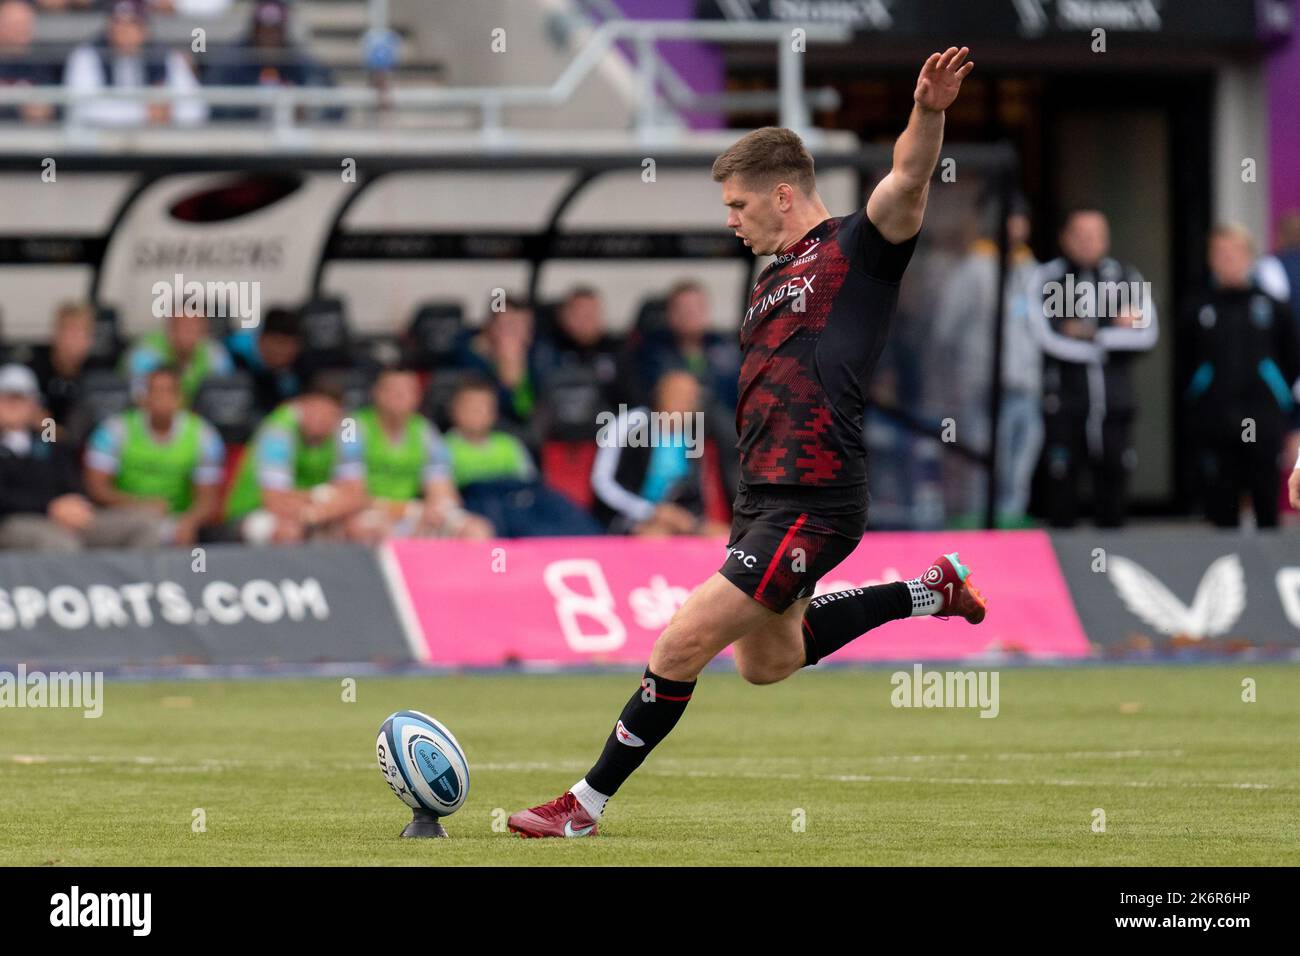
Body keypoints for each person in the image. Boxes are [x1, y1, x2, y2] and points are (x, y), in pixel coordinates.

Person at [508, 48, 985, 837]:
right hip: (765, 498)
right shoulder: (768, 278)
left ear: (783, 194)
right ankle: (928, 592)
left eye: (737, 203)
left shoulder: (856, 252)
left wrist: (928, 112)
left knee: (681, 641)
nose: (730, 218)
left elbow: (905, 180)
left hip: (817, 499)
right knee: (767, 664)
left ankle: (582, 807)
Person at [1029, 208, 1159, 528]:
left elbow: (1147, 333)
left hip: (1115, 405)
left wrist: (1089, 332)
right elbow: (1047, 338)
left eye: (1096, 235)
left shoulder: (1126, 275)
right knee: (1062, 487)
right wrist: (1111, 329)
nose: (1089, 243)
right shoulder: (1047, 278)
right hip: (1065, 406)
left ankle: (1108, 565)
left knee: (1114, 484)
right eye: (1081, 235)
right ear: (1065, 238)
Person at [932, 194, 1041, 526]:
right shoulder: (974, 268)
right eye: (1011, 219)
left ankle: (1011, 524)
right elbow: (945, 330)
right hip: (984, 384)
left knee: (1020, 463)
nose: (1017, 228)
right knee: (983, 465)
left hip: (1026, 383)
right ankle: (981, 531)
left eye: (1021, 220)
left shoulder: (1033, 270)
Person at [1184, 225, 1300, 528]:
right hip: (1216, 424)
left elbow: (1291, 363)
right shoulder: (1198, 307)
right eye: (1220, 254)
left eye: (1234, 253)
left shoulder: (1272, 306)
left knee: (1266, 508)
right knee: (1221, 511)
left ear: (1249, 257)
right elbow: (1186, 366)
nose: (1227, 260)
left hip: (1264, 424)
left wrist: (1289, 420)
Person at [0, 363, 161, 551]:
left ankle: (135, 580)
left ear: (35, 404)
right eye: (7, 398)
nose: (14, 405)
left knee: (145, 524)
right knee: (60, 543)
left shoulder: (49, 440)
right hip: (13, 520)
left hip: (64, 516)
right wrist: (49, 507)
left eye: (21, 398)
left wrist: (76, 505)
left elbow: (71, 478)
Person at [442, 374, 604, 537]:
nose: (478, 413)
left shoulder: (509, 444)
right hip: (479, 506)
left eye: (485, 407)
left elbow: (529, 479)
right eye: (471, 407)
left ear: (494, 412)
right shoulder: (444, 446)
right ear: (454, 410)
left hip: (519, 500)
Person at [346, 367, 492, 542]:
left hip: (414, 512)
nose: (400, 396)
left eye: (407, 391)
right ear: (376, 393)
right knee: (374, 530)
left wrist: (436, 509)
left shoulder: (425, 430)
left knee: (476, 529)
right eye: (393, 390)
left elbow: (442, 488)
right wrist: (406, 510)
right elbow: (350, 493)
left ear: (417, 396)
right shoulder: (352, 426)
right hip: (371, 512)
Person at [84, 366, 225, 546]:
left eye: (168, 391)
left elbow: (208, 498)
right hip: (123, 515)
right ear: (142, 398)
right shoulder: (114, 431)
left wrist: (190, 521)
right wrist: (140, 505)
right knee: (148, 526)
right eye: (154, 390)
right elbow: (97, 489)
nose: (161, 397)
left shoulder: (203, 435)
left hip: (177, 518)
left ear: (181, 398)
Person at [222, 378, 365, 544]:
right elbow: (274, 500)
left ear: (338, 414)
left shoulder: (348, 428)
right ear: (300, 406)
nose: (319, 420)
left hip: (315, 510)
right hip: (255, 509)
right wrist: (316, 506)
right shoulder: (278, 430)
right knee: (288, 532)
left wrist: (319, 513)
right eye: (313, 411)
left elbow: (355, 494)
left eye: (327, 414)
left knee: (361, 527)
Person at [590, 369, 730, 537]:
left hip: (678, 518)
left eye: (691, 397)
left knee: (724, 537)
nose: (684, 402)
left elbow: (696, 493)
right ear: (660, 394)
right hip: (628, 515)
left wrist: (689, 521)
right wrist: (649, 511)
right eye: (678, 394)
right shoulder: (632, 423)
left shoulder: (695, 433)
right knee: (657, 538)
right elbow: (602, 482)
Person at [62, 0, 208, 129]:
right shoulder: (88, 55)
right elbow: (83, 109)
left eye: (133, 25)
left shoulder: (165, 57)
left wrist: (169, 112)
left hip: (158, 144)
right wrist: (144, 113)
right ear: (109, 28)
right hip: (101, 151)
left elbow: (196, 108)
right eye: (119, 24)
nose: (125, 32)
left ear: (145, 30)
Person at [454, 295, 538, 428]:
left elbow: (528, 414)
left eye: (523, 327)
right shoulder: (468, 359)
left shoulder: (538, 358)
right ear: (490, 327)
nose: (516, 334)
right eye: (509, 326)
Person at [121, 310, 234, 402]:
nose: (188, 333)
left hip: (197, 419)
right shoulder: (145, 354)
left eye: (194, 328)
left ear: (203, 332)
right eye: (183, 327)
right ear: (170, 329)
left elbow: (224, 398)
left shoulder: (215, 355)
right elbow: (139, 398)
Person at [227, 306, 305, 417]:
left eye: (292, 346)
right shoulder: (232, 353)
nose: (285, 352)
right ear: (263, 339)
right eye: (280, 343)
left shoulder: (295, 367)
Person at [28, 302, 97, 426]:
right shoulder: (34, 371)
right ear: (55, 334)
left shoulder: (97, 372)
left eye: (81, 333)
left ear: (90, 340)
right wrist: (57, 437)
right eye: (70, 332)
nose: (75, 341)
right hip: (45, 440)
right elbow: (37, 419)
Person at [0, 0, 57, 124]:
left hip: (30, 137)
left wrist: (43, 110)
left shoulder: (40, 62)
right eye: (14, 25)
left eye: (25, 24)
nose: (21, 31)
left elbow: (52, 104)